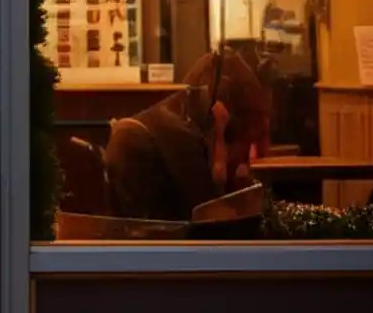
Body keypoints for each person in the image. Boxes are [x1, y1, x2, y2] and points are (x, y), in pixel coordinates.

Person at [103, 50, 272, 222]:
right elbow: (215, 223)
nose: (246, 161)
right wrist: (220, 146)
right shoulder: (180, 143)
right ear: (219, 115)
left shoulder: (158, 125)